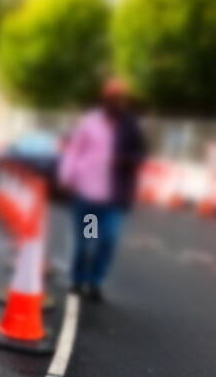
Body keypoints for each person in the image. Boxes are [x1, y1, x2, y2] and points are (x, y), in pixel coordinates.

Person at [57, 78, 148, 301]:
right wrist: (66, 177)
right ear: (104, 99)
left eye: (119, 99)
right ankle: (78, 281)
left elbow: (140, 154)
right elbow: (74, 151)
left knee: (108, 239)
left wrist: (124, 160)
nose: (115, 103)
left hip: (113, 199)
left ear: (123, 101)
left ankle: (95, 281)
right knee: (86, 242)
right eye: (111, 98)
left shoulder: (131, 126)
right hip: (88, 195)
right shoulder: (89, 122)